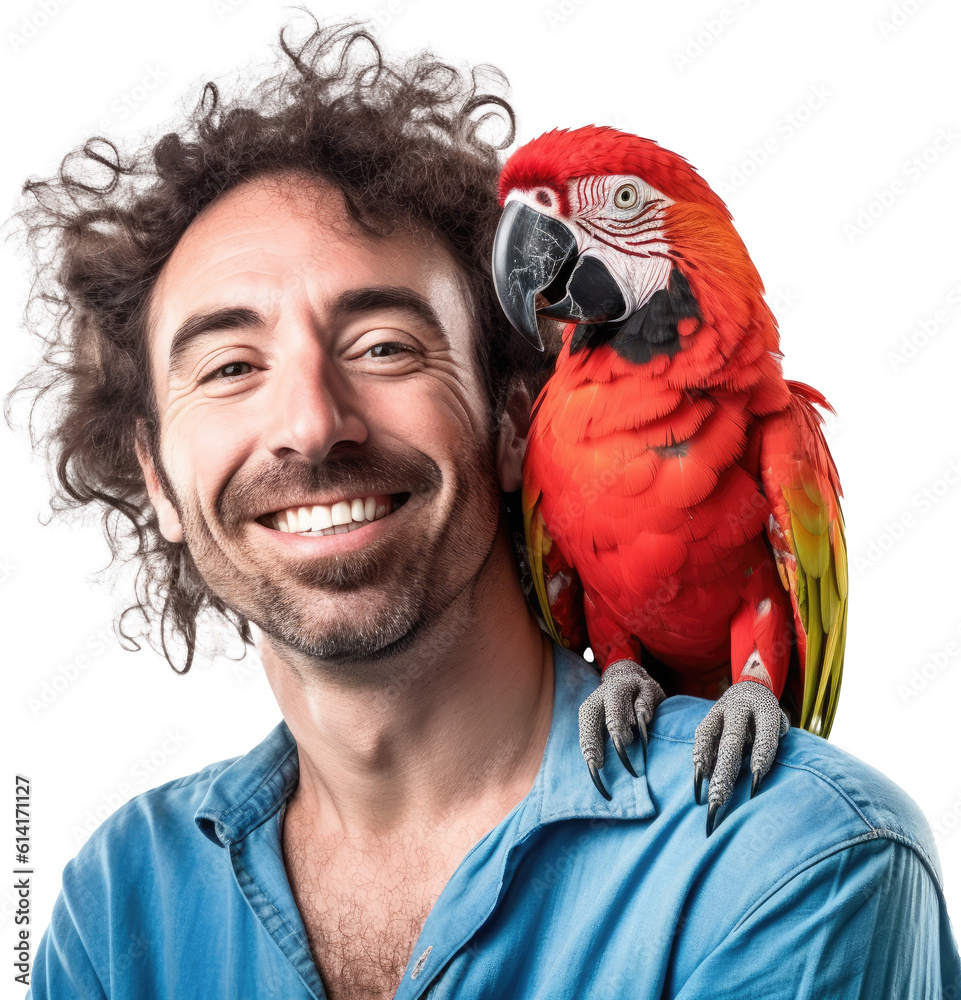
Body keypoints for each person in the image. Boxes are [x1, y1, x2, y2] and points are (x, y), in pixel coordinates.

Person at [14, 19, 961, 1000]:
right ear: (158, 482)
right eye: (229, 366)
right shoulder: (120, 904)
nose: (310, 423)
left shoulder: (794, 860)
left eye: (383, 346)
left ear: (515, 421)